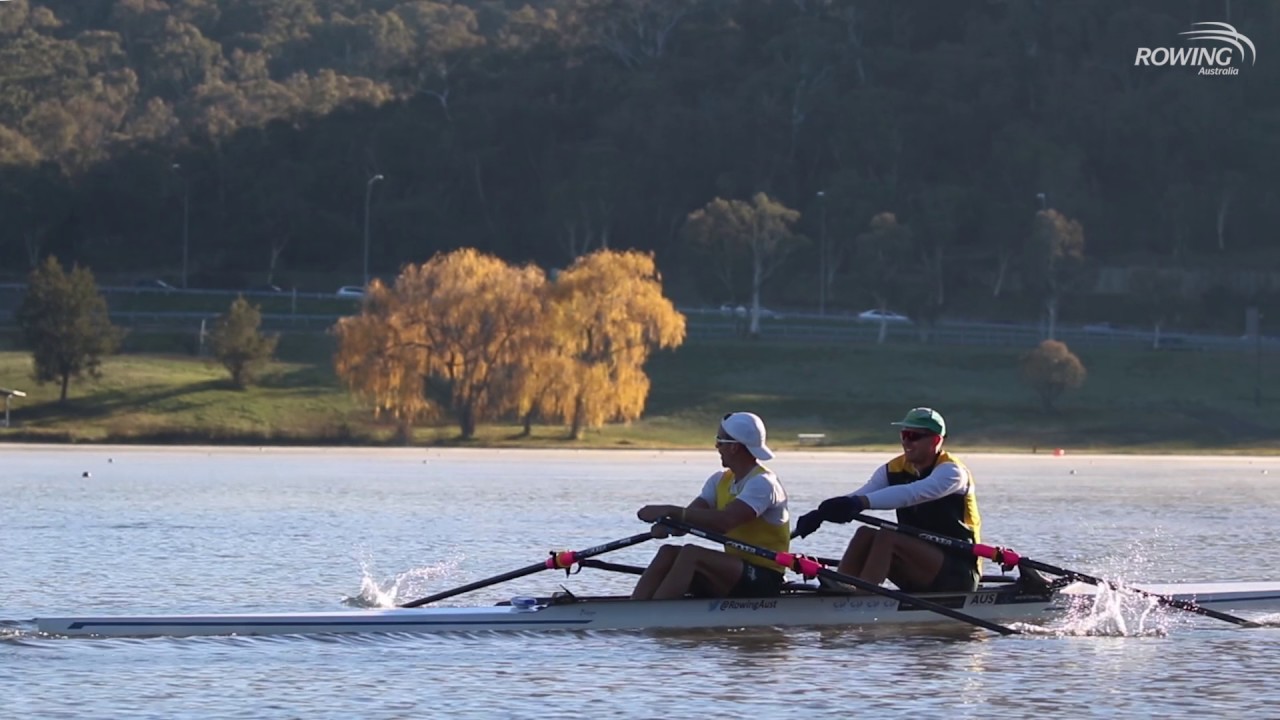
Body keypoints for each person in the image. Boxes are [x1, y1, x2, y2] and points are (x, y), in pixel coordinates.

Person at [793, 407, 982, 593]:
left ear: (935, 440)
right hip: (917, 564)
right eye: (904, 435)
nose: (907, 442)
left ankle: (861, 596)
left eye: (914, 436)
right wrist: (822, 513)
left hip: (958, 570)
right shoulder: (893, 468)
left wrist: (859, 503)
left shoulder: (952, 472)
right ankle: (839, 589)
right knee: (865, 533)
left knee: (887, 535)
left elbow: (911, 494)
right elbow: (863, 494)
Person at [631, 412, 791, 601]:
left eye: (719, 441)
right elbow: (689, 517)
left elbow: (726, 521)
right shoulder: (719, 481)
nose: (716, 446)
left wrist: (670, 510)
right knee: (668, 552)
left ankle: (655, 616)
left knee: (691, 554)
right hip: (736, 571)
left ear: (734, 447)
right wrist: (667, 524)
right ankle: (633, 610)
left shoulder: (763, 483)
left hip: (765, 577)